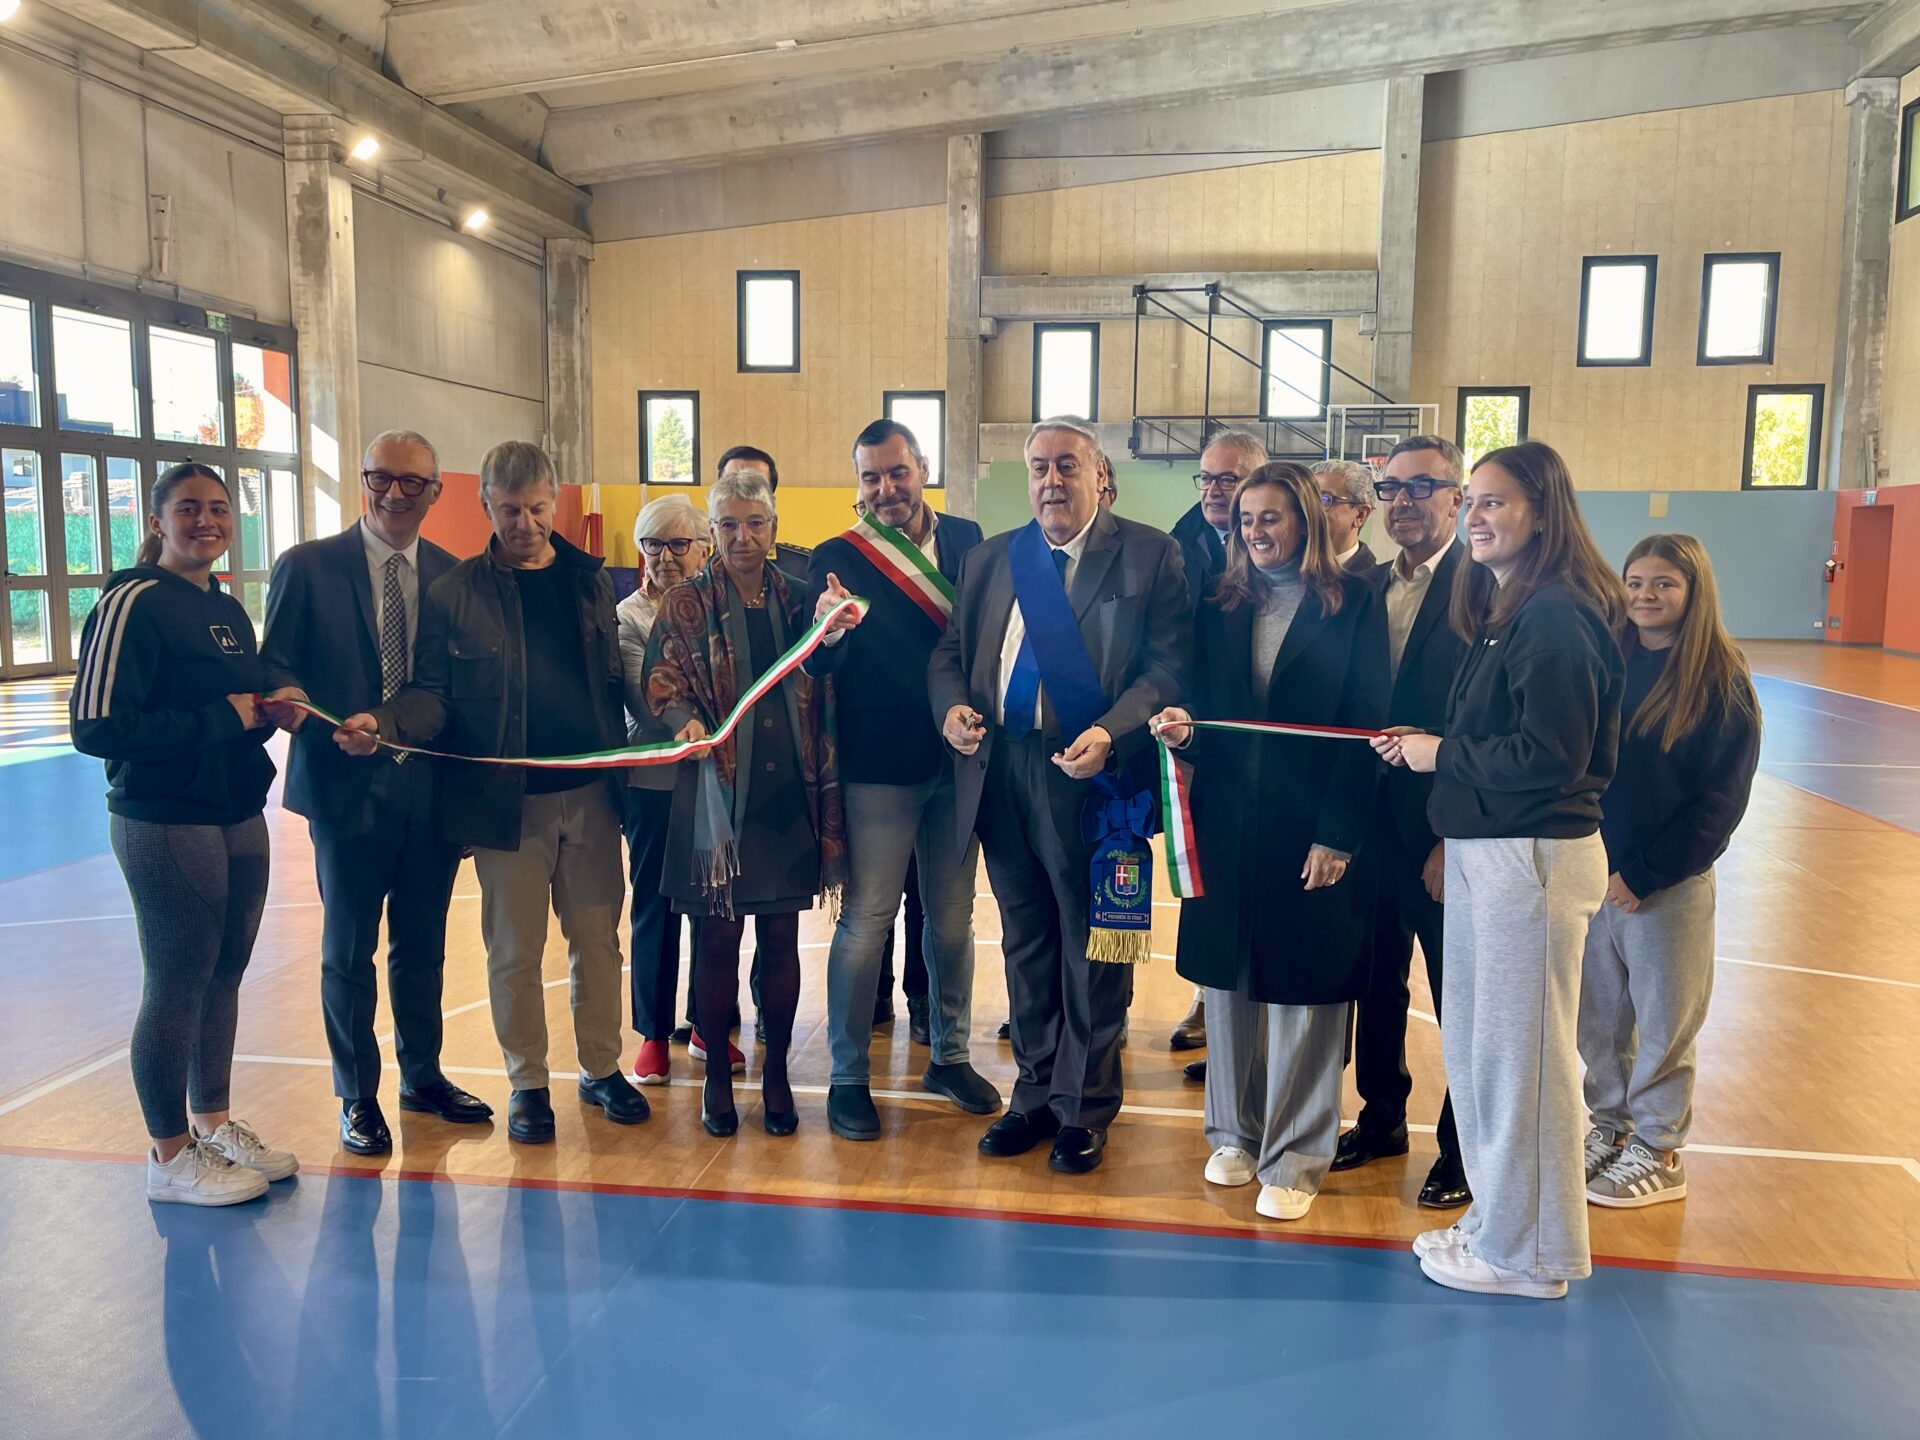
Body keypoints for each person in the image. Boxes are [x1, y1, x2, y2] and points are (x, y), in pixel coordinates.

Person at [337, 441, 649, 1146]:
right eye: (511, 510)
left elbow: (616, 684)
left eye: (539, 508)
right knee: (513, 951)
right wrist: (385, 725)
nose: (527, 523)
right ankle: (527, 1083)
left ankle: (602, 1068)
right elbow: (434, 699)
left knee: (598, 943)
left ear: (555, 498)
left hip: (594, 796)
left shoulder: (592, 583)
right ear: (484, 503)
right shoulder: (455, 594)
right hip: (507, 804)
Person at [1374, 439, 1626, 1300]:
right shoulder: (1507, 610)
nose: (1478, 516)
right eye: (1473, 501)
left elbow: (1552, 758)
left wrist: (1437, 753)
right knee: (1487, 1057)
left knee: (1525, 1066)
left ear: (1543, 513)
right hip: (1495, 855)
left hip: (1533, 859)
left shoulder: (1556, 616)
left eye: (1496, 502)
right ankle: (1503, 1224)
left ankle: (1528, 1257)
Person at [930, 417, 1189, 1175]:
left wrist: (1112, 731)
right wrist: (949, 708)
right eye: (1039, 466)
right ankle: (1035, 1095)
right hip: (999, 772)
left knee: (1097, 948)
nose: (1051, 480)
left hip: (1097, 781)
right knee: (1029, 944)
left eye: (1067, 466)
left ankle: (1084, 1108)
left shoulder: (1149, 553)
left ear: (1098, 473)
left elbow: (1168, 669)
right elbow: (949, 654)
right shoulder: (991, 559)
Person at [1152, 463, 1389, 1221]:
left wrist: (1339, 836)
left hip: (1310, 829)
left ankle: (1297, 1156)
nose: (1256, 531)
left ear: (1307, 523)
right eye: (1246, 518)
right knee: (1228, 988)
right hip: (1230, 823)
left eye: (1272, 517)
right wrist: (1183, 730)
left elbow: (1367, 724)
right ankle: (1235, 1134)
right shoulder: (1220, 602)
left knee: (1305, 997)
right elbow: (1199, 701)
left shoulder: (1355, 603)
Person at [71, 463, 299, 1205]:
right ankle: (169, 1154)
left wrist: (279, 696)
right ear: (159, 518)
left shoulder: (226, 608)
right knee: (177, 979)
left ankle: (214, 1126)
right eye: (190, 509)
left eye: (220, 510)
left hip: (236, 810)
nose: (207, 521)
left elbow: (247, 686)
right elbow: (98, 726)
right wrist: (221, 719)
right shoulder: (131, 600)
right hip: (165, 818)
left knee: (225, 974)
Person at [260, 430, 492, 1156]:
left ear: (436, 491)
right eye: (380, 478)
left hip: (427, 790)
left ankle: (421, 1076)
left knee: (421, 949)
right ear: (363, 480)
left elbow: (446, 693)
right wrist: (286, 694)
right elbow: (275, 663)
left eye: (411, 482)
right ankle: (356, 1094)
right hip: (342, 792)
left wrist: (387, 725)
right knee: (347, 951)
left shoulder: (455, 580)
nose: (394, 493)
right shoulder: (306, 566)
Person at [805, 418, 996, 1141]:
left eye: (897, 472)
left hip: (958, 764)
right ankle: (848, 1076)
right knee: (865, 924)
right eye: (870, 477)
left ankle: (948, 1055)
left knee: (953, 922)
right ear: (858, 483)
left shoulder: (973, 542)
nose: (885, 489)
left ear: (923, 469)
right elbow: (815, 668)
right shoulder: (835, 557)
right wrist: (824, 634)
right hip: (877, 770)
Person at [647, 468, 851, 1138]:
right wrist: (682, 720)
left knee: (783, 942)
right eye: (729, 524)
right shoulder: (683, 603)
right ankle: (713, 1078)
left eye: (754, 523)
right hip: (716, 798)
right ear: (712, 532)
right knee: (715, 940)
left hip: (786, 794)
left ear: (773, 528)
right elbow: (660, 681)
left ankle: (777, 1074)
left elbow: (822, 673)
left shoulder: (799, 599)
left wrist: (834, 631)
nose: (742, 536)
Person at [1580, 534, 1760, 1208]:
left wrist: (1644, 874)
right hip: (1593, 878)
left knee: (1663, 1022)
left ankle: (1660, 1149)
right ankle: (1609, 1127)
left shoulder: (1721, 682)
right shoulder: (1609, 663)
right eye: (1636, 582)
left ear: (1694, 593)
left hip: (1666, 888)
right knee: (1596, 1020)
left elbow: (1720, 804)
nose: (1646, 596)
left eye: (1664, 584)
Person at [1336, 435, 1481, 1209]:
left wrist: (1450, 837)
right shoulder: (1366, 588)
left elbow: (1486, 726)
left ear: (1457, 497)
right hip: (1371, 827)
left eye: (1424, 486)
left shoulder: (1485, 590)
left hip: (1443, 834)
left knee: (1459, 996)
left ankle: (1462, 1149)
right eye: (1392, 488)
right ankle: (1383, 1116)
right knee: (1377, 985)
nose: (1406, 500)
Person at [1166, 429, 1267, 1055]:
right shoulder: (1177, 546)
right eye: (1205, 478)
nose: (1213, 490)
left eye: (1227, 479)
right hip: (1188, 735)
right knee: (1199, 876)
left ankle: (1246, 1021)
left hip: (1256, 745)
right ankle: (1207, 1001)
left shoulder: (1282, 546)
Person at [617, 495, 718, 1087]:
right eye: (653, 544)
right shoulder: (628, 617)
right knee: (655, 906)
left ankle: (708, 1023)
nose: (665, 557)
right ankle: (654, 1035)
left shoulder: (722, 608)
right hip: (653, 783)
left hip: (713, 781)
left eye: (679, 544)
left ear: (704, 547)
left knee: (712, 905)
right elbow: (643, 696)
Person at [718, 443, 809, 567]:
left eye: (755, 487)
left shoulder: (803, 569)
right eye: (733, 482)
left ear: (772, 502)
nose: (743, 537)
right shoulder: (693, 569)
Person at [1311, 459, 1378, 572]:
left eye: (1325, 500)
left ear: (1360, 515)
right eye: (1308, 499)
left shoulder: (1377, 585)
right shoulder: (1284, 573)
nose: (1310, 509)